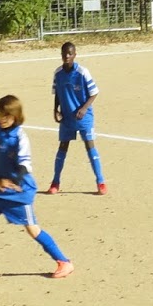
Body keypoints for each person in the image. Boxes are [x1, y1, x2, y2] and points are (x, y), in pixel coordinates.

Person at [0, 95, 74, 279]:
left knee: (32, 229)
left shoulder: (20, 136)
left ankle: (64, 262)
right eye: (0, 114)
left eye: (7, 115)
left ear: (16, 116)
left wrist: (14, 181)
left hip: (17, 192)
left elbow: (24, 165)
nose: (2, 119)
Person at [47, 40, 106, 194]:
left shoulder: (82, 72)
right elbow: (57, 94)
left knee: (90, 145)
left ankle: (100, 181)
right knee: (62, 147)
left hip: (83, 118)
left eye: (70, 53)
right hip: (66, 118)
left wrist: (84, 108)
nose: (67, 56)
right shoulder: (57, 74)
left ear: (75, 55)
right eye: (64, 53)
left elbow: (94, 92)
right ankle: (55, 182)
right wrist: (56, 110)